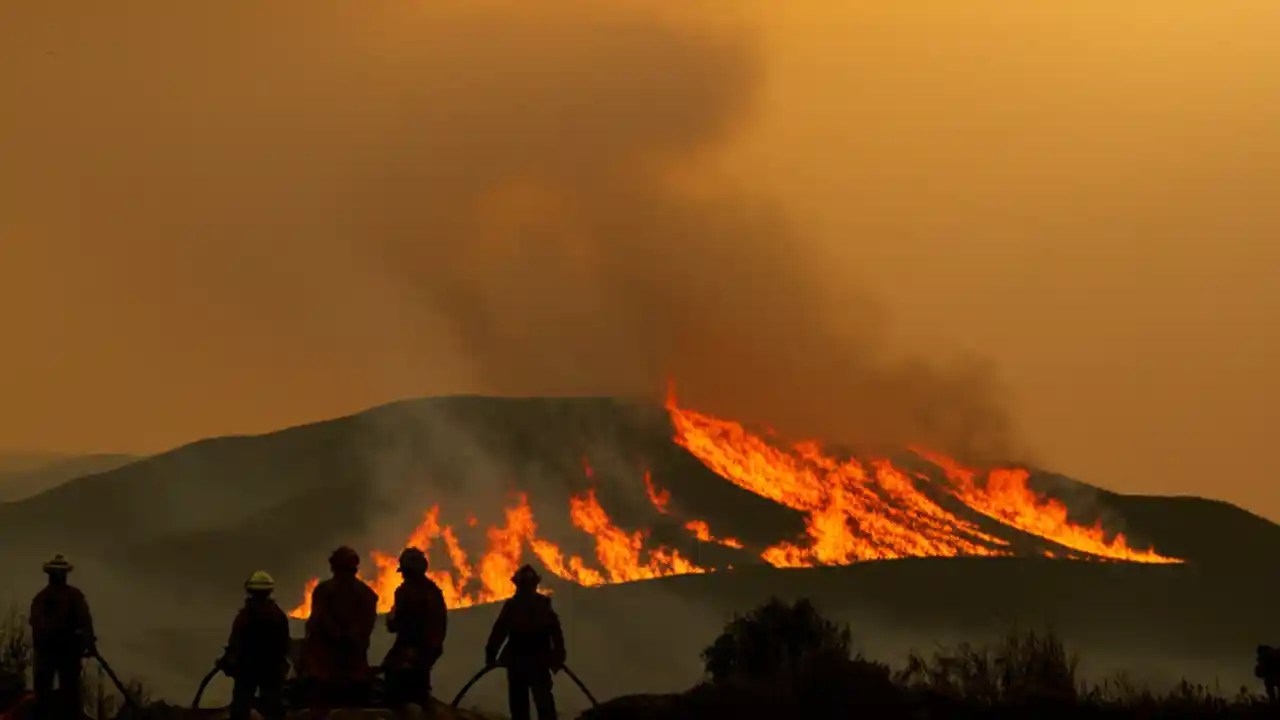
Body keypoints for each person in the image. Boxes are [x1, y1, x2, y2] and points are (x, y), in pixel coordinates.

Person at [299, 546, 378, 709]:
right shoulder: (367, 594)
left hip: (326, 668)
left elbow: (316, 622)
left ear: (334, 566)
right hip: (354, 666)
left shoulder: (323, 591)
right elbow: (366, 628)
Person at [485, 565, 566, 720]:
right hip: (535, 661)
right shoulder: (541, 605)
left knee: (522, 706)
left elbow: (499, 632)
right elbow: (556, 634)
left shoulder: (516, 606)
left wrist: (491, 655)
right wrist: (558, 655)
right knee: (540, 704)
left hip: (521, 661)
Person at [28, 554, 95, 720]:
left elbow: (85, 621)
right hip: (50, 651)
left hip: (66, 651)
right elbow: (36, 624)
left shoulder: (73, 597)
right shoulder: (42, 598)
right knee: (45, 694)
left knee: (69, 693)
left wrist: (88, 641)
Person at [218, 571, 291, 720]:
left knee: (240, 706)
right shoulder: (278, 615)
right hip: (271, 668)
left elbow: (235, 642)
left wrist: (228, 660)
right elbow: (285, 644)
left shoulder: (245, 616)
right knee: (274, 706)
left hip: (248, 669)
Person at [382, 547, 448, 709]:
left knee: (396, 688)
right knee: (420, 688)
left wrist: (390, 618)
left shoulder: (405, 592)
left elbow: (396, 624)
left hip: (409, 648)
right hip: (429, 649)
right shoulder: (434, 590)